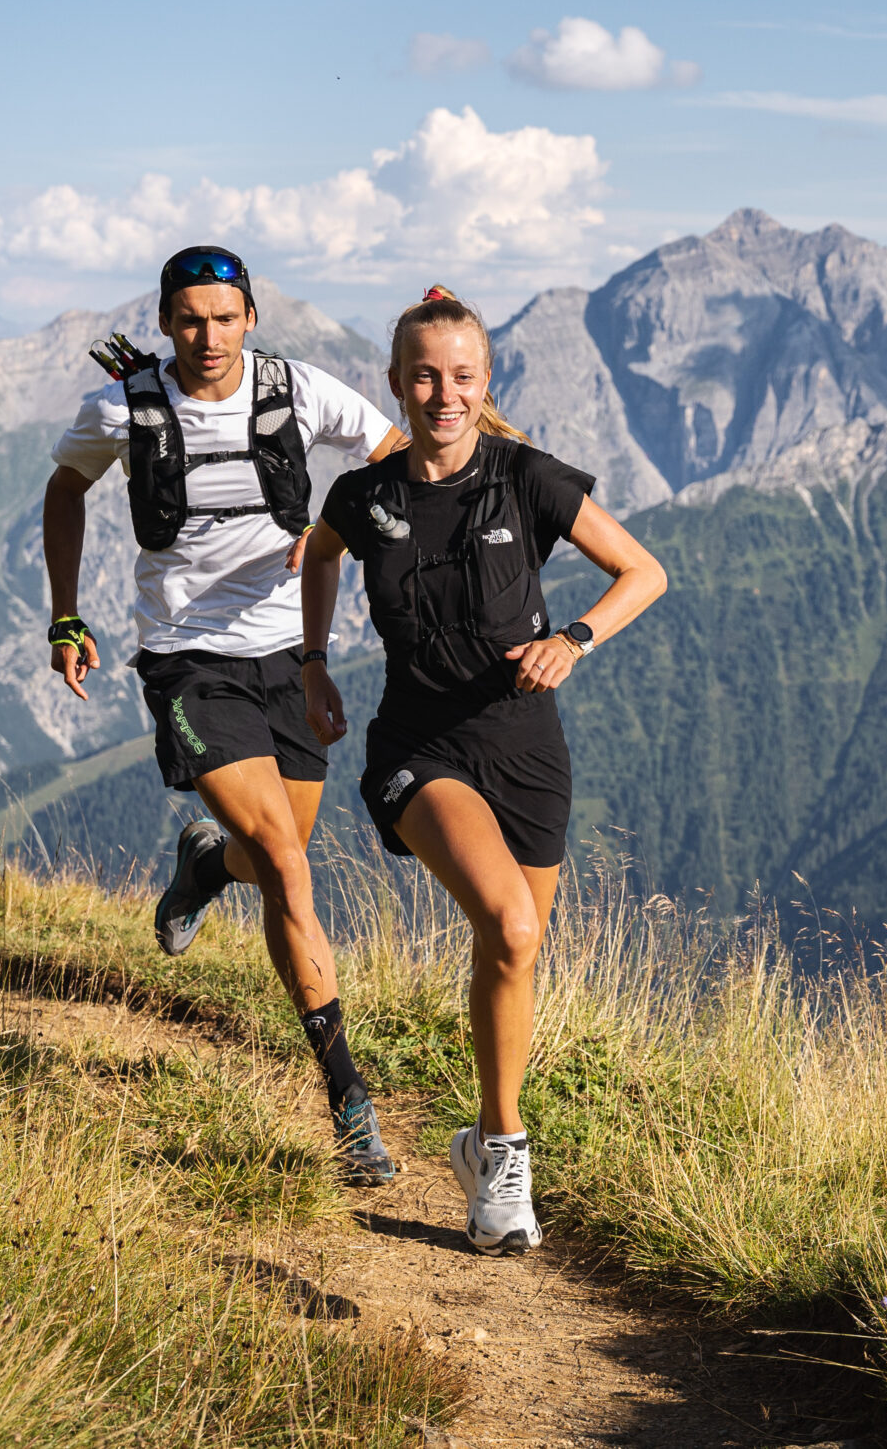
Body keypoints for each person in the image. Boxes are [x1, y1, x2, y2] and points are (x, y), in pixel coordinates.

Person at [300, 285, 666, 1256]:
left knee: (514, 949)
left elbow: (644, 572)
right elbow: (320, 554)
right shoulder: (364, 496)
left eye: (462, 375)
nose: (442, 392)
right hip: (419, 750)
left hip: (529, 751)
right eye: (424, 375)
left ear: (484, 381)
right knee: (505, 920)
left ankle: (474, 1139)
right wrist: (309, 663)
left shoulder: (525, 479)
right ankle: (506, 1157)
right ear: (395, 384)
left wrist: (575, 638)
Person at [42, 243, 409, 1185]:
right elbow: (65, 490)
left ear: (251, 319)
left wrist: (332, 532)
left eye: (225, 317)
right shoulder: (123, 403)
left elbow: (397, 459)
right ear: (165, 323)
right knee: (288, 867)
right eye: (189, 319)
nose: (208, 336)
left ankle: (207, 860)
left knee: (275, 851)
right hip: (187, 659)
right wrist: (67, 614)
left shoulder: (299, 390)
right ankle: (348, 1101)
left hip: (291, 657)